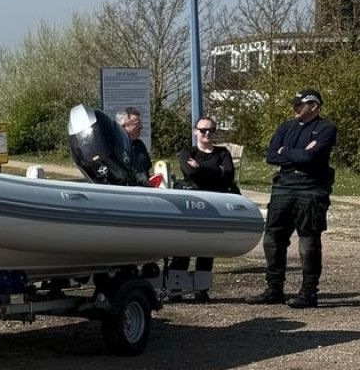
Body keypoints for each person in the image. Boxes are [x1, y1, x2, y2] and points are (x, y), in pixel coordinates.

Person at [247, 88, 337, 309]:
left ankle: (308, 292)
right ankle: (274, 288)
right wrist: (296, 153)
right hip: (284, 187)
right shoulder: (285, 127)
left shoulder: (326, 128)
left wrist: (285, 151)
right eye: (295, 104)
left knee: (308, 241)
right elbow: (271, 155)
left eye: (300, 104)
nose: (295, 108)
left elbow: (310, 157)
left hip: (311, 189)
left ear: (314, 106)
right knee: (272, 238)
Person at [167, 116, 237, 302]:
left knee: (207, 249)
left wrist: (201, 169)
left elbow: (228, 176)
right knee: (183, 248)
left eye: (211, 130)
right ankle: (175, 289)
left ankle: (201, 289)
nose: (207, 133)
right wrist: (216, 172)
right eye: (203, 130)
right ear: (195, 131)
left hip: (214, 205)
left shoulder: (222, 153)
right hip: (191, 205)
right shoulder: (187, 152)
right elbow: (189, 172)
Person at [115, 107, 151, 184]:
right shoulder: (114, 148)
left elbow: (147, 171)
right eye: (137, 124)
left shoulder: (139, 145)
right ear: (125, 125)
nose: (141, 127)